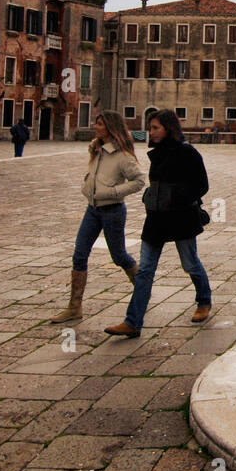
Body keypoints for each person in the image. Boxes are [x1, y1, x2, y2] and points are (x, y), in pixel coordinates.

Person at [108, 109, 213, 333]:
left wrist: (176, 197)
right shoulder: (157, 153)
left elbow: (202, 185)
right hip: (156, 218)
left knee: (190, 263)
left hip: (181, 217)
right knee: (145, 270)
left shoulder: (187, 152)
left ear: (168, 128)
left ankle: (204, 300)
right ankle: (132, 322)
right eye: (150, 128)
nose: (151, 132)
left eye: (156, 128)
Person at [51, 112, 145, 324]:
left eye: (100, 124)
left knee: (119, 256)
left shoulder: (122, 156)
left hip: (113, 210)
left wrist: (113, 192)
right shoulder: (96, 149)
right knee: (79, 254)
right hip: (92, 209)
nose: (95, 126)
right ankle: (74, 307)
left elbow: (139, 181)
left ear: (110, 127)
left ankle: (143, 292)